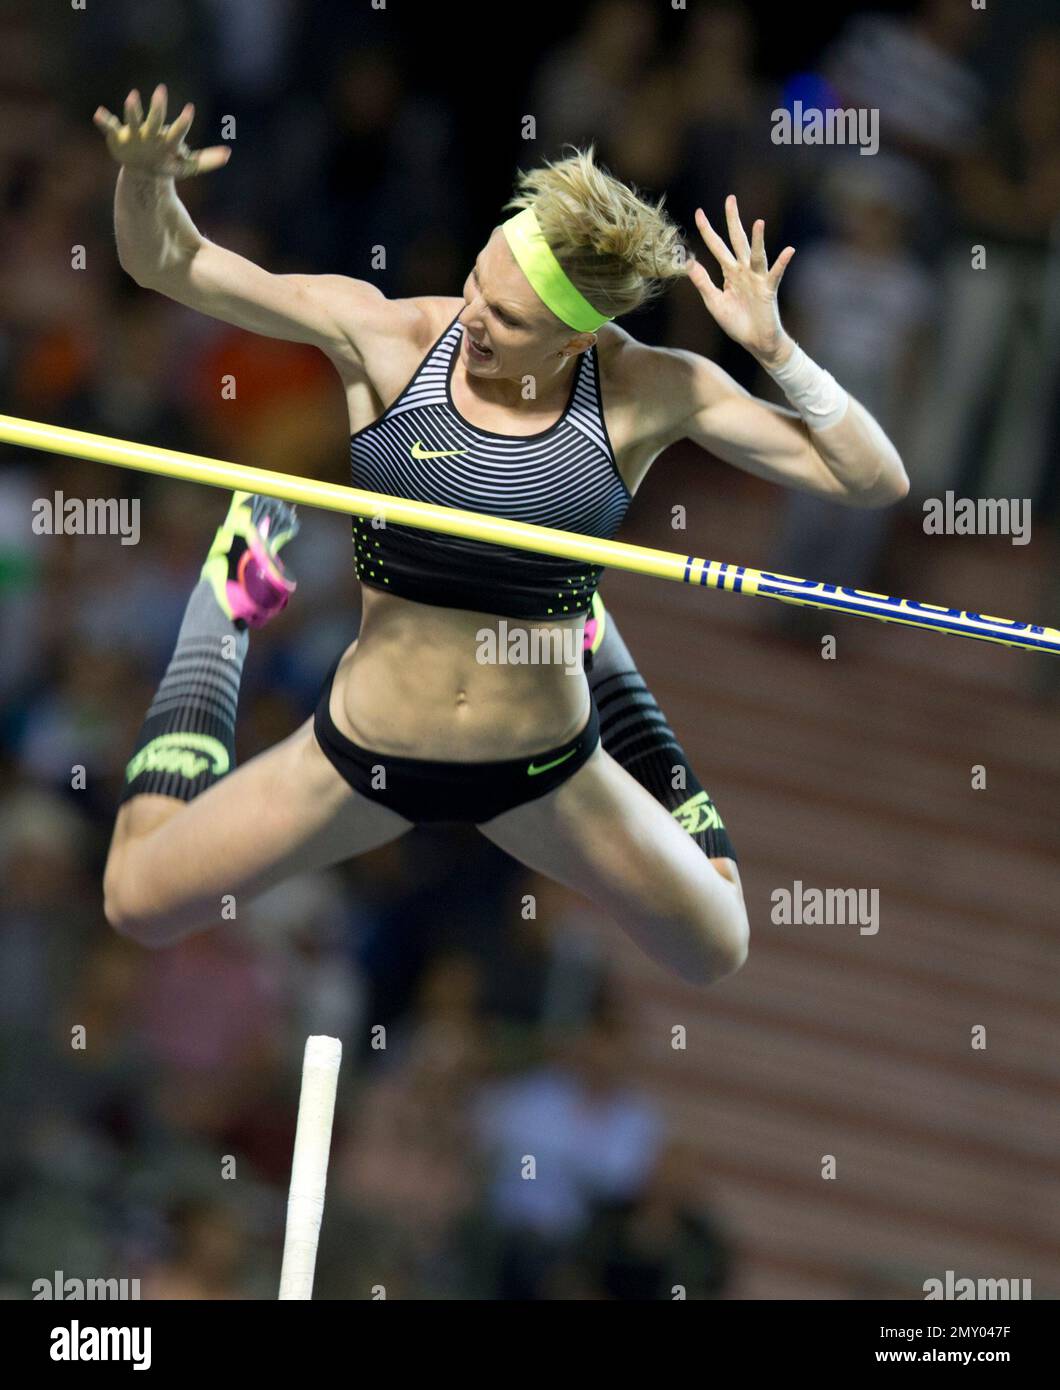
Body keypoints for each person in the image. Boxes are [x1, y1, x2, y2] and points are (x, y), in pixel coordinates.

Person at [94, 84, 907, 986]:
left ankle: (605, 654)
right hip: (369, 749)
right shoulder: (388, 338)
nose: (471, 317)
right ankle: (225, 611)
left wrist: (778, 351)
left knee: (718, 949)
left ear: (578, 339)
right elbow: (169, 263)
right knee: (136, 899)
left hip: (545, 767)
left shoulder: (647, 389)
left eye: (508, 318)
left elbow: (871, 479)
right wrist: (143, 182)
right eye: (480, 282)